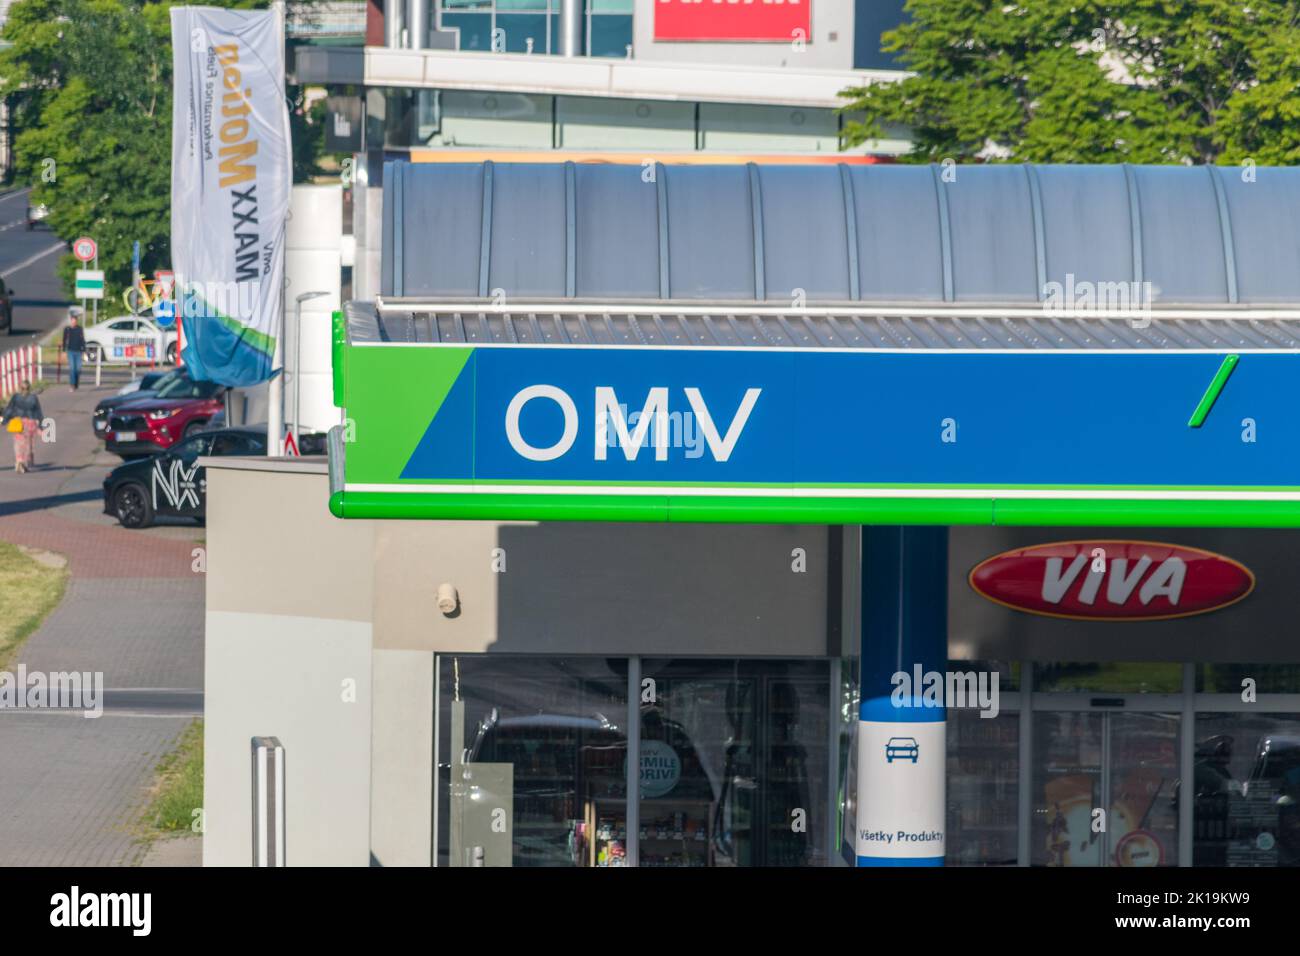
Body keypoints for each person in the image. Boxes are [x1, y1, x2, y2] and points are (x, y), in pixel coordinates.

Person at [1, 380, 43, 473]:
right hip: (31, 424)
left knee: (18, 443)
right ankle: (26, 463)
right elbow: (38, 412)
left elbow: (9, 410)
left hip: (19, 423)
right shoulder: (33, 398)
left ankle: (19, 461)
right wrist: (41, 426)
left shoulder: (16, 397)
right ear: (29, 388)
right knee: (29, 444)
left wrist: (4, 420)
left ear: (20, 388)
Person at [62, 310, 86, 390]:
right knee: (72, 369)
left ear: (76, 321)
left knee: (78, 369)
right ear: (71, 321)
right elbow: (64, 340)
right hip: (70, 351)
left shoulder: (79, 329)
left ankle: (76, 383)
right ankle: (72, 385)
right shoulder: (67, 329)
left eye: (75, 320)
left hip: (79, 351)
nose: (73, 322)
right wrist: (64, 351)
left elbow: (82, 340)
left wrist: (84, 351)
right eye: (72, 320)